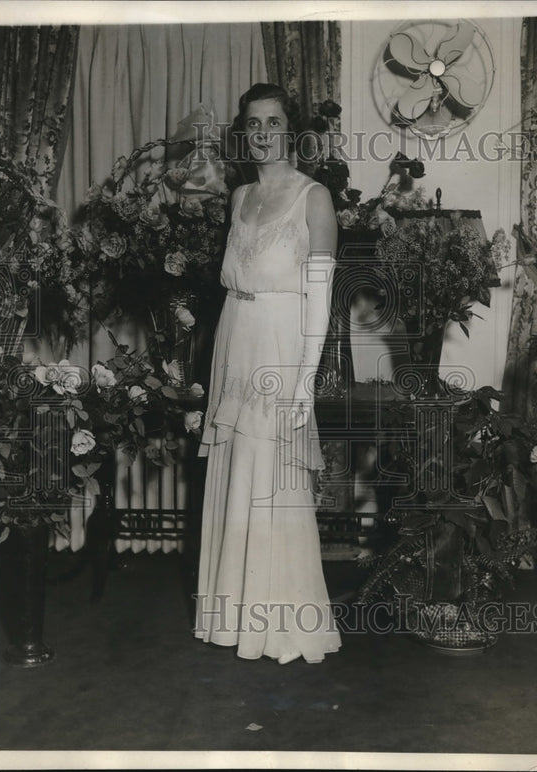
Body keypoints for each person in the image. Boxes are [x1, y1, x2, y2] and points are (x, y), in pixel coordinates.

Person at [194, 83, 342, 664]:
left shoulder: (314, 198)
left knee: (273, 479)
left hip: (282, 346)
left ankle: (279, 623)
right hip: (235, 339)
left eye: (273, 122)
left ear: (291, 130)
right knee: (237, 470)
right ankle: (232, 618)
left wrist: (305, 382)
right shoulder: (238, 197)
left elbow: (320, 301)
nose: (262, 134)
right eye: (253, 124)